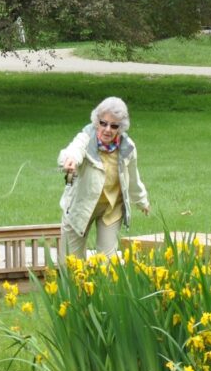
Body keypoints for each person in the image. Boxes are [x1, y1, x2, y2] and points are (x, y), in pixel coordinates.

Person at [57, 96, 150, 259]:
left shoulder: (128, 148)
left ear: (120, 128)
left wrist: (142, 202)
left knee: (107, 265)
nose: (107, 129)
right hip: (80, 206)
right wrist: (69, 160)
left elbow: (133, 179)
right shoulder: (86, 138)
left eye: (114, 125)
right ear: (96, 121)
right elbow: (74, 150)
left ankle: (103, 285)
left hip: (111, 209)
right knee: (70, 264)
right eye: (103, 123)